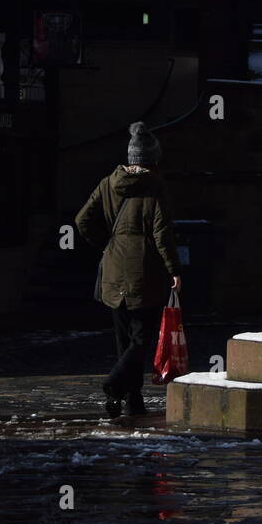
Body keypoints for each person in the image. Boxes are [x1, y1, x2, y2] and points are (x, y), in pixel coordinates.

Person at [75, 121, 182, 419]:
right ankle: (113, 386)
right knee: (141, 340)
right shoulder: (156, 186)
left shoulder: (109, 182)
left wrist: (107, 245)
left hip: (113, 269)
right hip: (144, 272)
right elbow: (162, 233)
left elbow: (82, 219)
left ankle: (132, 401)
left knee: (123, 339)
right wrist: (174, 270)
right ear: (152, 159)